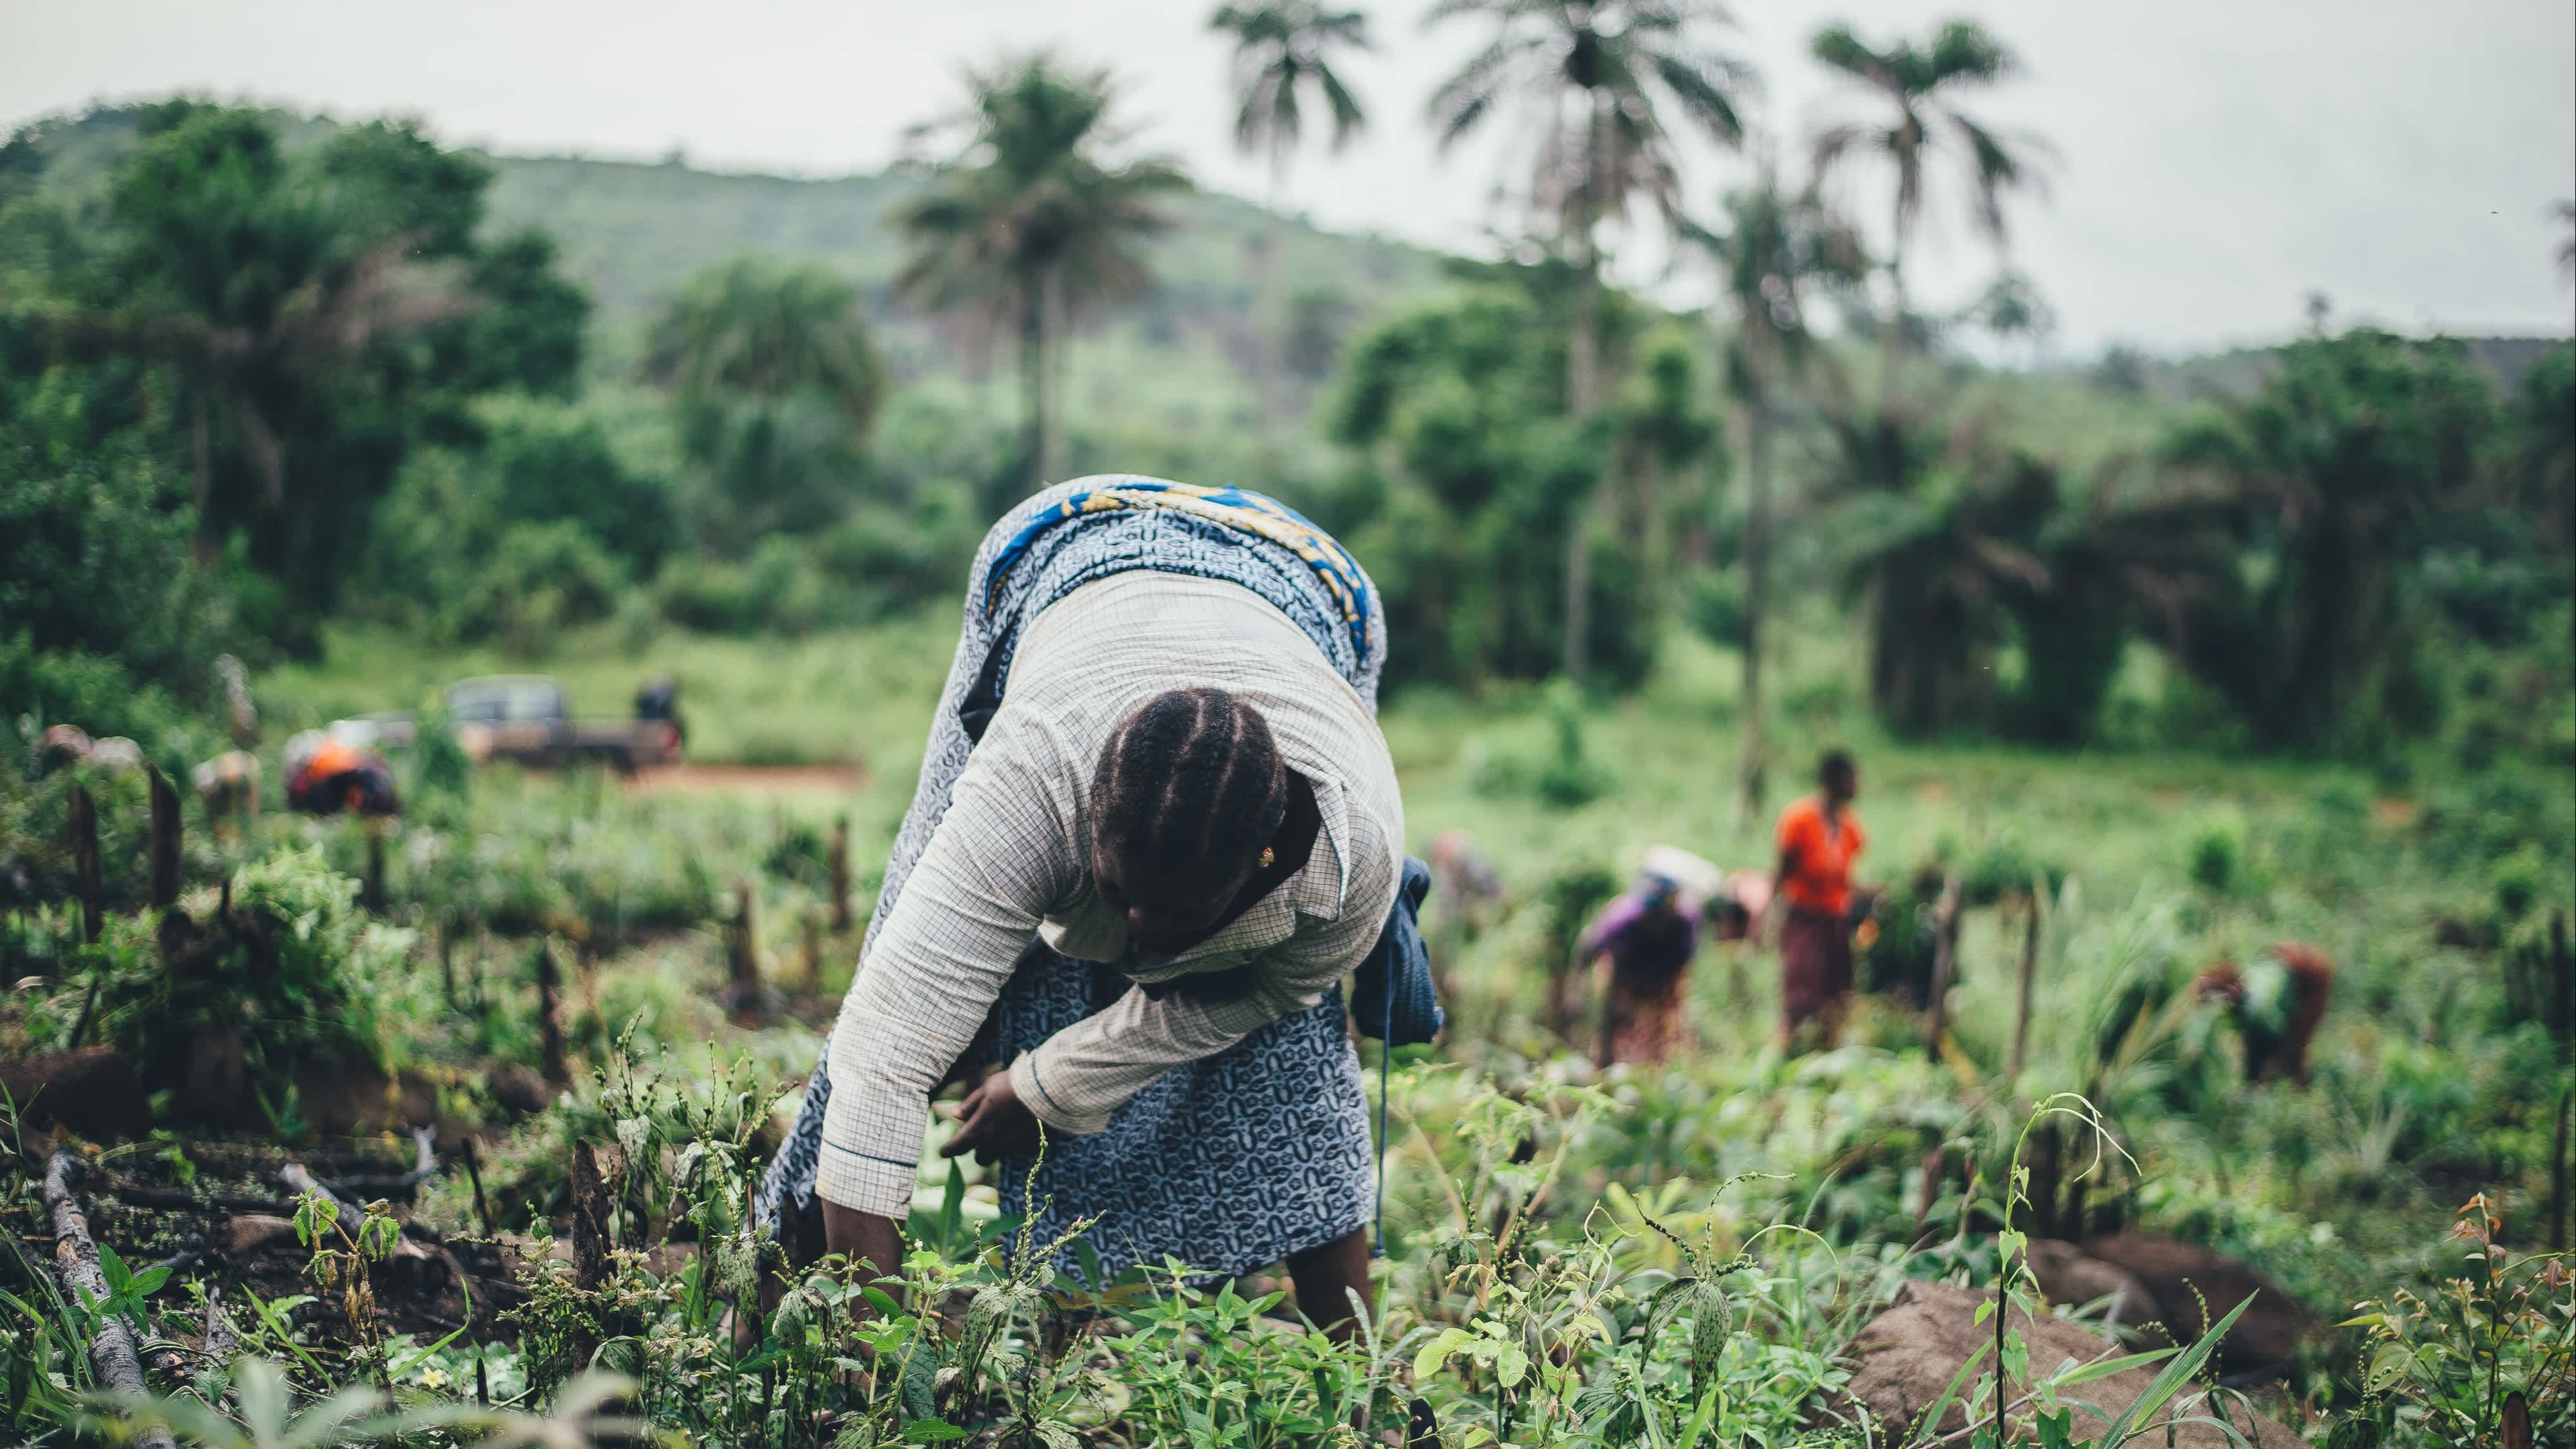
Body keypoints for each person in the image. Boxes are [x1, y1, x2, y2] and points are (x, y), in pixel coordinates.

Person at [755, 475, 1407, 1341]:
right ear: (1084, 821)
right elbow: (887, 1054)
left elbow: (1255, 997)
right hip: (1065, 551)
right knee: (897, 966)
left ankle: (1352, 1389)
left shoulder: (1348, 857)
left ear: (1260, 866)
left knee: (1290, 1056)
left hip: (1313, 586)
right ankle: (784, 1295)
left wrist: (1051, 1085)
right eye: (1114, 895)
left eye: (1168, 919)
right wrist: (869, 1357)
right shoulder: (1032, 781)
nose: (1133, 937)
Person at [1773, 750, 1867, 1051]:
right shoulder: (1799, 819)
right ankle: (1789, 1051)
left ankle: (1828, 1051)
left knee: (1836, 993)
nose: (1857, 784)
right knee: (1801, 991)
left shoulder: (1850, 827)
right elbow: (1783, 871)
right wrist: (1771, 911)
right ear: (1834, 780)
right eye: (1852, 777)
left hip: (1835, 920)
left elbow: (1843, 878)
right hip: (1804, 916)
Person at [1578, 859, 1707, 1066]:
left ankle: (1657, 1067)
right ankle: (1606, 1065)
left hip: (1663, 973)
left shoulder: (1686, 919)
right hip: (1624, 972)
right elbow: (1588, 948)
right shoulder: (1623, 918)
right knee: (1614, 1019)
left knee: (1664, 1026)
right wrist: (1577, 992)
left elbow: (1683, 965)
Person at [2196, 943, 2335, 1086]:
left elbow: (2284, 1035)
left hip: (2310, 976)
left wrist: (2269, 1070)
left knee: (2293, 1048)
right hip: (2279, 961)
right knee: (2263, 1051)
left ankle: (2299, 1086)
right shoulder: (2240, 985)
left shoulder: (2256, 1010)